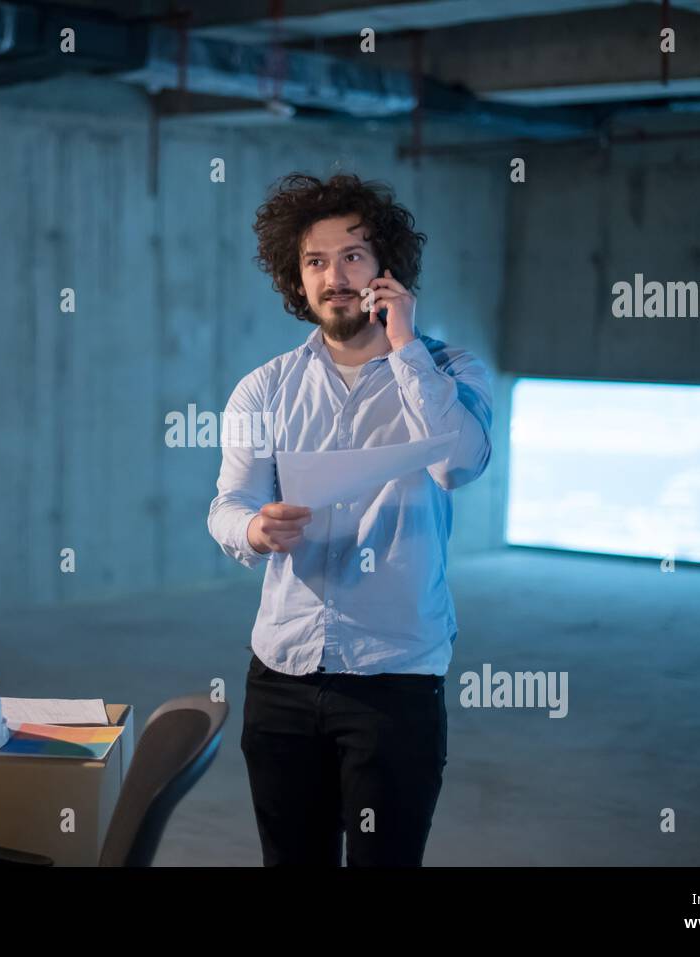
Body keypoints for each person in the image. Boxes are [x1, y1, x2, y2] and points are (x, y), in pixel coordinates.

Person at [207, 171, 493, 866]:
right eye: (315, 260)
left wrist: (407, 351)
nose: (334, 275)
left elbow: (460, 464)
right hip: (281, 673)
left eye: (353, 256)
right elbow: (227, 504)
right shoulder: (265, 387)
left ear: (386, 268)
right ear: (295, 277)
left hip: (393, 677)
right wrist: (254, 529)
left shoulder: (451, 370)